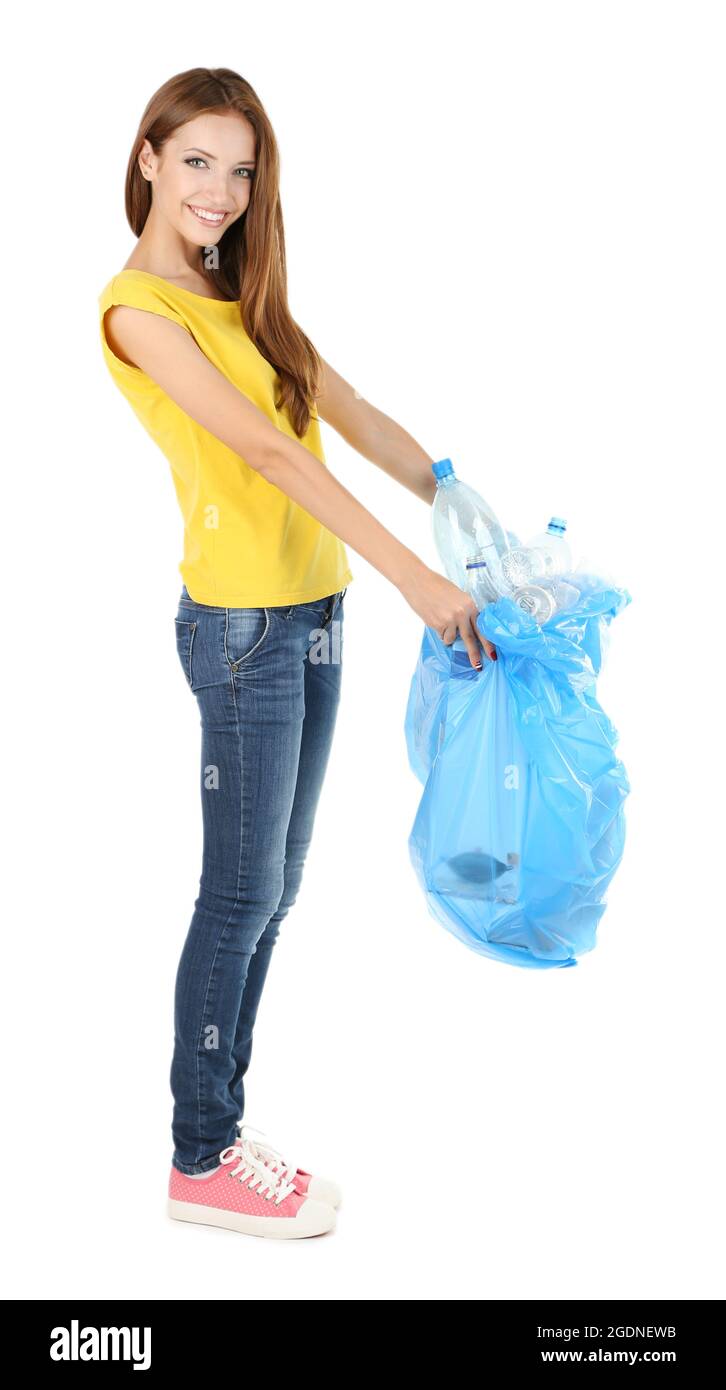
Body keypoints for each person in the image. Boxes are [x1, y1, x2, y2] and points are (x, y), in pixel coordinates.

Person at [98, 66, 496, 1242]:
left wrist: (448, 486)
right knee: (238, 894)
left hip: (311, 617)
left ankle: (219, 1123)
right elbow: (277, 460)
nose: (220, 191)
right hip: (241, 634)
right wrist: (417, 578)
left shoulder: (239, 293)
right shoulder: (137, 312)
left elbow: (342, 404)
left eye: (242, 169)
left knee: (276, 892)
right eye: (199, 161)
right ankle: (198, 1153)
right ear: (148, 159)